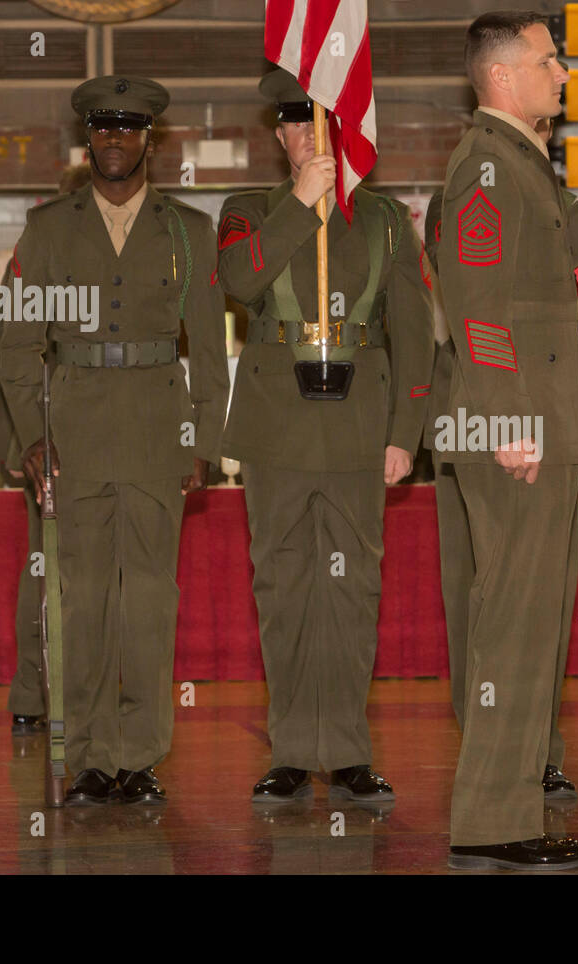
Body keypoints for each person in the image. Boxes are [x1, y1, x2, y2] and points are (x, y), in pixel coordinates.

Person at [0, 75, 228, 806]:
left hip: (160, 428)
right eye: (103, 129)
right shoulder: (48, 229)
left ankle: (140, 756)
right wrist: (31, 440)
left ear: (149, 141)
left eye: (129, 129)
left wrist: (205, 437)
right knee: (84, 597)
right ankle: (91, 755)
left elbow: (212, 353)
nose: (115, 141)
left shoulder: (189, 232)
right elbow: (16, 347)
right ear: (87, 139)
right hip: (74, 432)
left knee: (150, 600)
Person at [218, 69, 433, 806]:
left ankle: (344, 750)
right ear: (279, 136)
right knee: (282, 588)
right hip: (277, 426)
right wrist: (302, 205)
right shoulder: (247, 209)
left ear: (346, 130)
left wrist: (406, 432)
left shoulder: (382, 221)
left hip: (357, 428)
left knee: (350, 589)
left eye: (322, 124)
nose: (310, 136)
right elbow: (239, 283)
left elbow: (413, 333)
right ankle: (289, 749)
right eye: (297, 124)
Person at [437, 11, 578, 870]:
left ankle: (507, 806)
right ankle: (495, 818)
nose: (563, 73)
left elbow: (544, 270)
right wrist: (508, 418)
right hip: (517, 428)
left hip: (538, 422)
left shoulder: (520, 165)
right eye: (549, 60)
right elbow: (475, 304)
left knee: (533, 620)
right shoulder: (488, 168)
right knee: (513, 623)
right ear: (503, 75)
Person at [424, 163, 577, 802]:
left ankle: (536, 748)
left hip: (534, 406)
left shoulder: (548, 196)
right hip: (472, 409)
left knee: (543, 598)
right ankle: (489, 743)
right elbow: (472, 313)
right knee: (482, 594)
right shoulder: (467, 189)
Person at [0, 171, 92, 736]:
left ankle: (59, 693)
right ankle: (38, 691)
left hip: (90, 432)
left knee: (68, 571)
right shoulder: (42, 251)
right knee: (47, 568)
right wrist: (20, 443)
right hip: (51, 434)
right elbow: (4, 350)